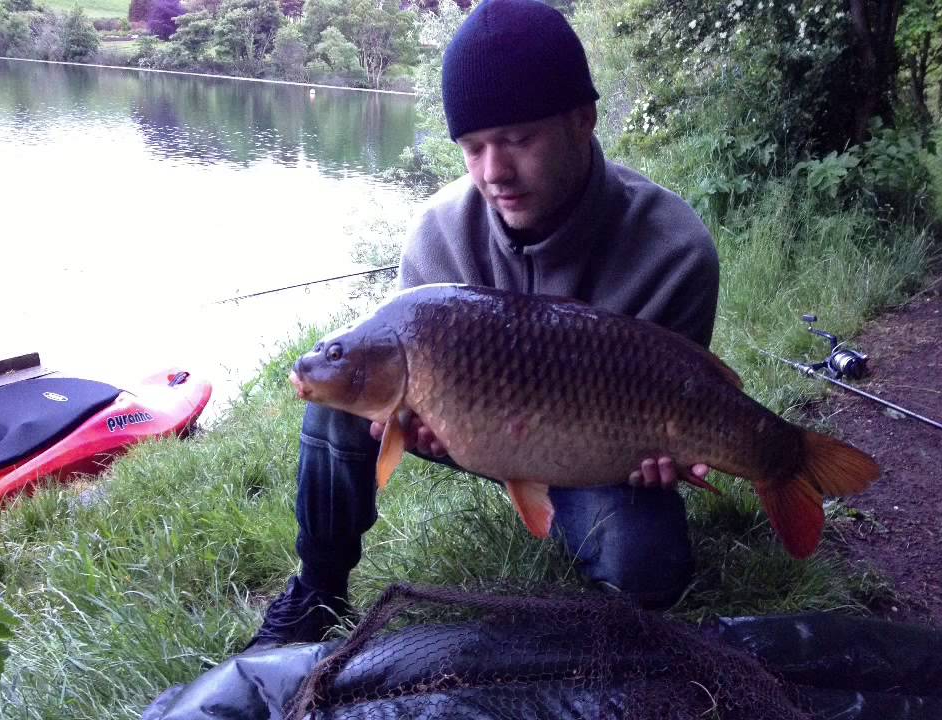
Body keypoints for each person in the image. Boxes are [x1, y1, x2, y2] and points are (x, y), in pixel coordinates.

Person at [246, 0, 720, 648]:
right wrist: (412, 427)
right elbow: (396, 388)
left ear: (582, 120)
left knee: (648, 563)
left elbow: (680, 398)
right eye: (473, 147)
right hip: (465, 421)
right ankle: (317, 590)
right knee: (336, 395)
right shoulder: (438, 233)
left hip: (593, 447)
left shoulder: (673, 250)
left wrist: (655, 460)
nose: (494, 172)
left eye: (519, 139)